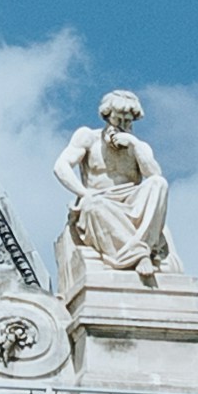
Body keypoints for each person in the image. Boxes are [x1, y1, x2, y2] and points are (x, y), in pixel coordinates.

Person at [53, 90, 173, 289]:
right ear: (107, 115)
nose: (123, 125)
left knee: (159, 184)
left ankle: (141, 249)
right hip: (99, 199)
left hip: (131, 200)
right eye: (119, 119)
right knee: (94, 204)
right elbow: (61, 167)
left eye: (128, 121)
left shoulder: (139, 146)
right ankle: (140, 254)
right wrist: (84, 193)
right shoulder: (88, 137)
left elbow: (154, 174)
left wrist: (134, 144)